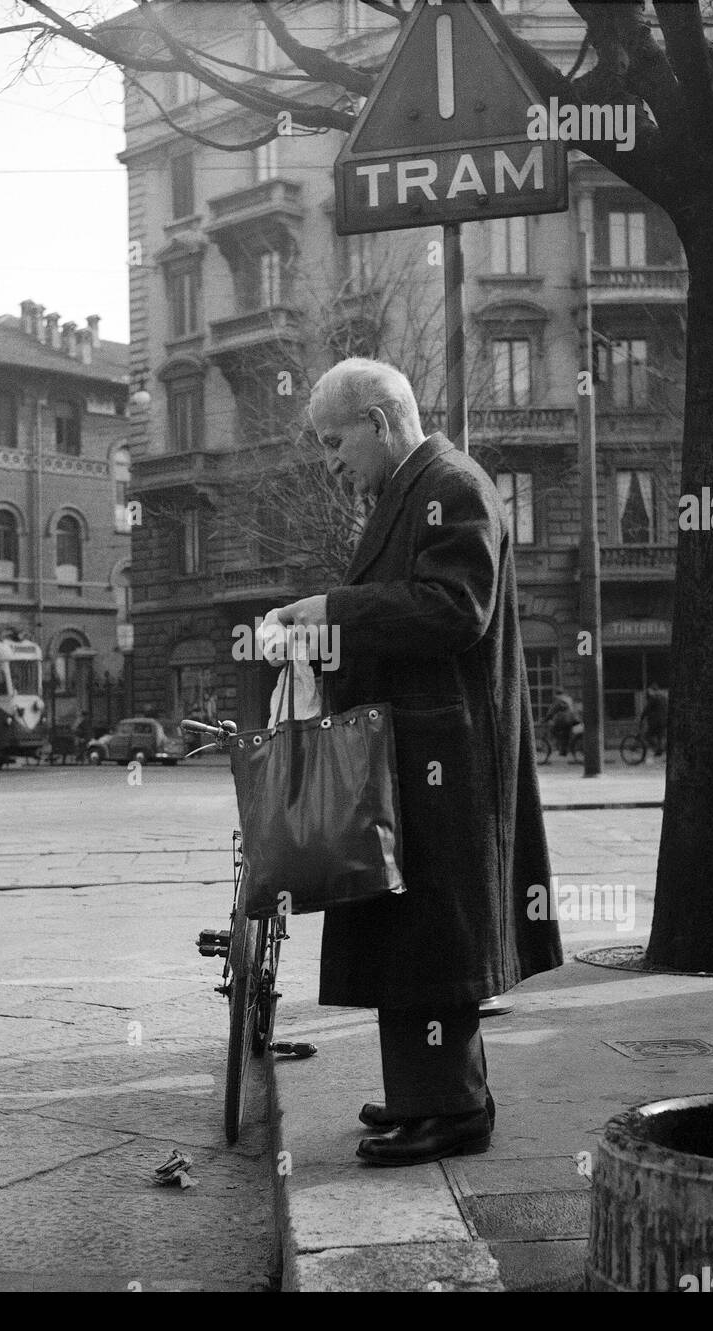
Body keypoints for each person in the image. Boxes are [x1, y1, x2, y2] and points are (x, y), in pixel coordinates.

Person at [264, 358, 562, 1168]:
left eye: (335, 441)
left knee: (436, 936)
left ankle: (456, 1109)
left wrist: (334, 611)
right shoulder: (417, 485)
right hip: (418, 751)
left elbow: (454, 608)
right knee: (410, 932)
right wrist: (321, 629)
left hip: (445, 757)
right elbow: (407, 612)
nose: (331, 459)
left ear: (379, 422)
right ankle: (421, 1093)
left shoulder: (453, 484)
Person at [543, 688, 577, 758]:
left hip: (563, 720)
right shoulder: (568, 698)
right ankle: (564, 751)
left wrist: (545, 719)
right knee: (566, 735)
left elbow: (552, 711)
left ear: (556, 694)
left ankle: (557, 746)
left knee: (553, 731)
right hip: (571, 719)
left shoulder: (558, 699)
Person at [640, 682, 668, 757]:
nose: (648, 692)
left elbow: (646, 709)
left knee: (647, 736)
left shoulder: (653, 698)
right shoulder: (663, 697)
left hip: (656, 721)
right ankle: (659, 750)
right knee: (659, 736)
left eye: (649, 691)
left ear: (652, 690)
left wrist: (642, 718)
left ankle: (657, 748)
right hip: (664, 721)